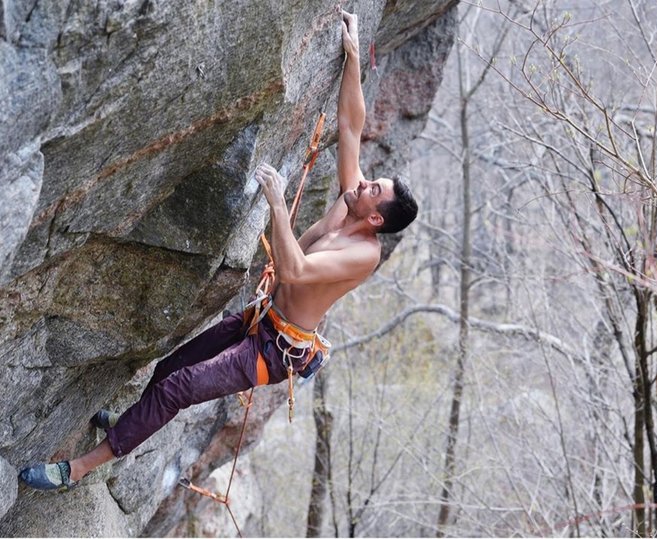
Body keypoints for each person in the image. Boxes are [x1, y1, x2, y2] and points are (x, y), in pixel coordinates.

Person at [19, 9, 418, 491]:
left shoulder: (362, 255)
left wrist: (276, 203)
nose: (364, 182)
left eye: (374, 188)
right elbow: (351, 126)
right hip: (262, 319)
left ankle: (75, 469)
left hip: (274, 351)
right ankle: (131, 426)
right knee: (170, 369)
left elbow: (293, 270)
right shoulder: (351, 202)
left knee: (178, 388)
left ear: (376, 218)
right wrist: (353, 57)